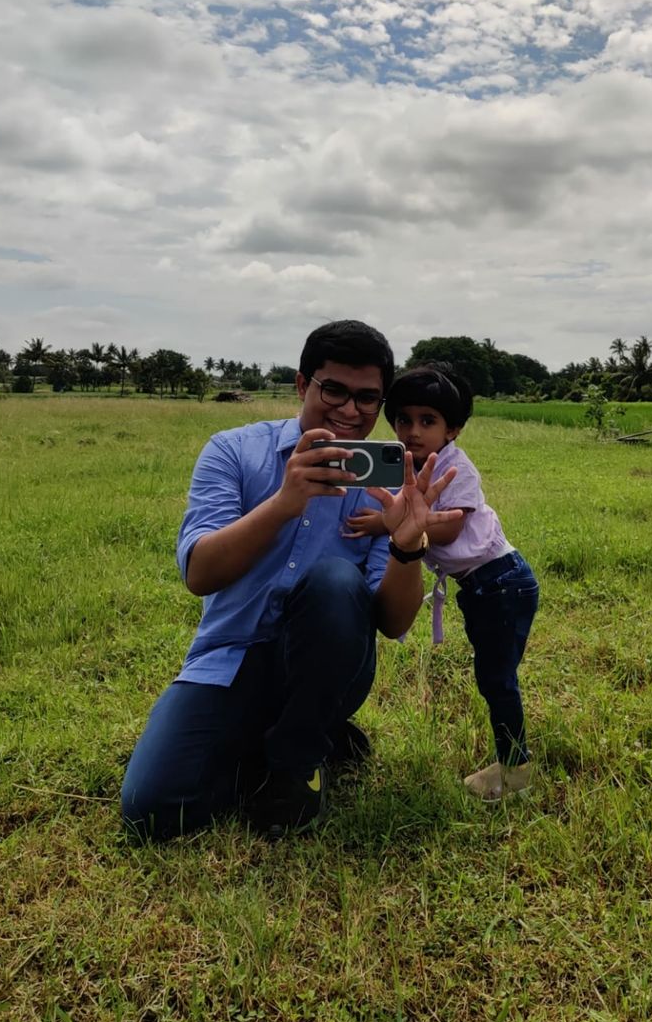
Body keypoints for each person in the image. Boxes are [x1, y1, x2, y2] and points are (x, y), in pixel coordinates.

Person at [121, 321, 460, 841]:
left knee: (333, 581)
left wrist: (406, 544)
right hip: (228, 661)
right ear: (303, 385)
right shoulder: (234, 451)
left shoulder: (385, 483)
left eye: (368, 398)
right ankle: (298, 741)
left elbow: (392, 623)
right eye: (335, 390)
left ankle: (297, 760)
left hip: (330, 662)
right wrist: (284, 502)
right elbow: (200, 574)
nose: (350, 410)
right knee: (156, 810)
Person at [346, 364, 539, 801]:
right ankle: (513, 761)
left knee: (497, 678)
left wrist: (385, 523)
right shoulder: (406, 465)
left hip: (502, 582)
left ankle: (516, 769)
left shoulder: (457, 469)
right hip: (482, 588)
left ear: (453, 429)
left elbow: (450, 528)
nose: (413, 431)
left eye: (428, 421)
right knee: (493, 675)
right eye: (403, 420)